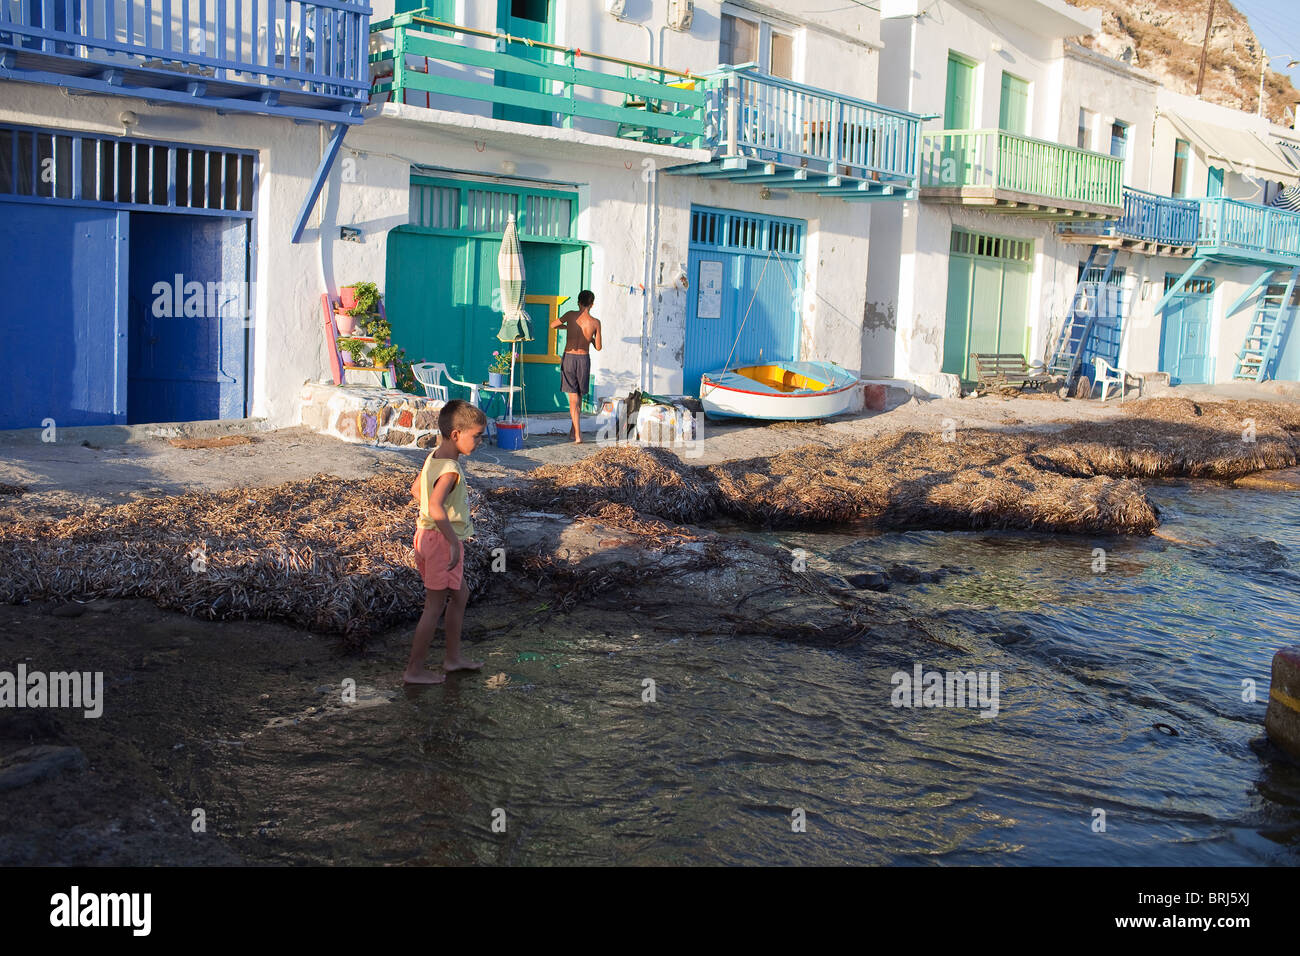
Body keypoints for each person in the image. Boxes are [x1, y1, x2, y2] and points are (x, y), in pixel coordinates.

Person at [404, 399, 487, 684]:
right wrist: (452, 541)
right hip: (441, 542)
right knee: (434, 606)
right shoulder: (450, 468)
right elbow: (436, 506)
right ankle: (414, 670)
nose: (479, 442)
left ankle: (452, 658)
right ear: (456, 434)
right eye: (476, 436)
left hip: (427, 537)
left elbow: (417, 490)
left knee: (460, 595)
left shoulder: (434, 456)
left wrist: (433, 516)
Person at [551, 289, 602, 443]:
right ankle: (574, 432)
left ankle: (578, 435)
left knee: (573, 398)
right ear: (592, 305)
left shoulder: (570, 315)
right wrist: (591, 338)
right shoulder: (595, 322)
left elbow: (553, 325)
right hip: (584, 359)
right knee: (578, 396)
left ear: (579, 302)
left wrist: (568, 327)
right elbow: (598, 347)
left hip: (569, 358)